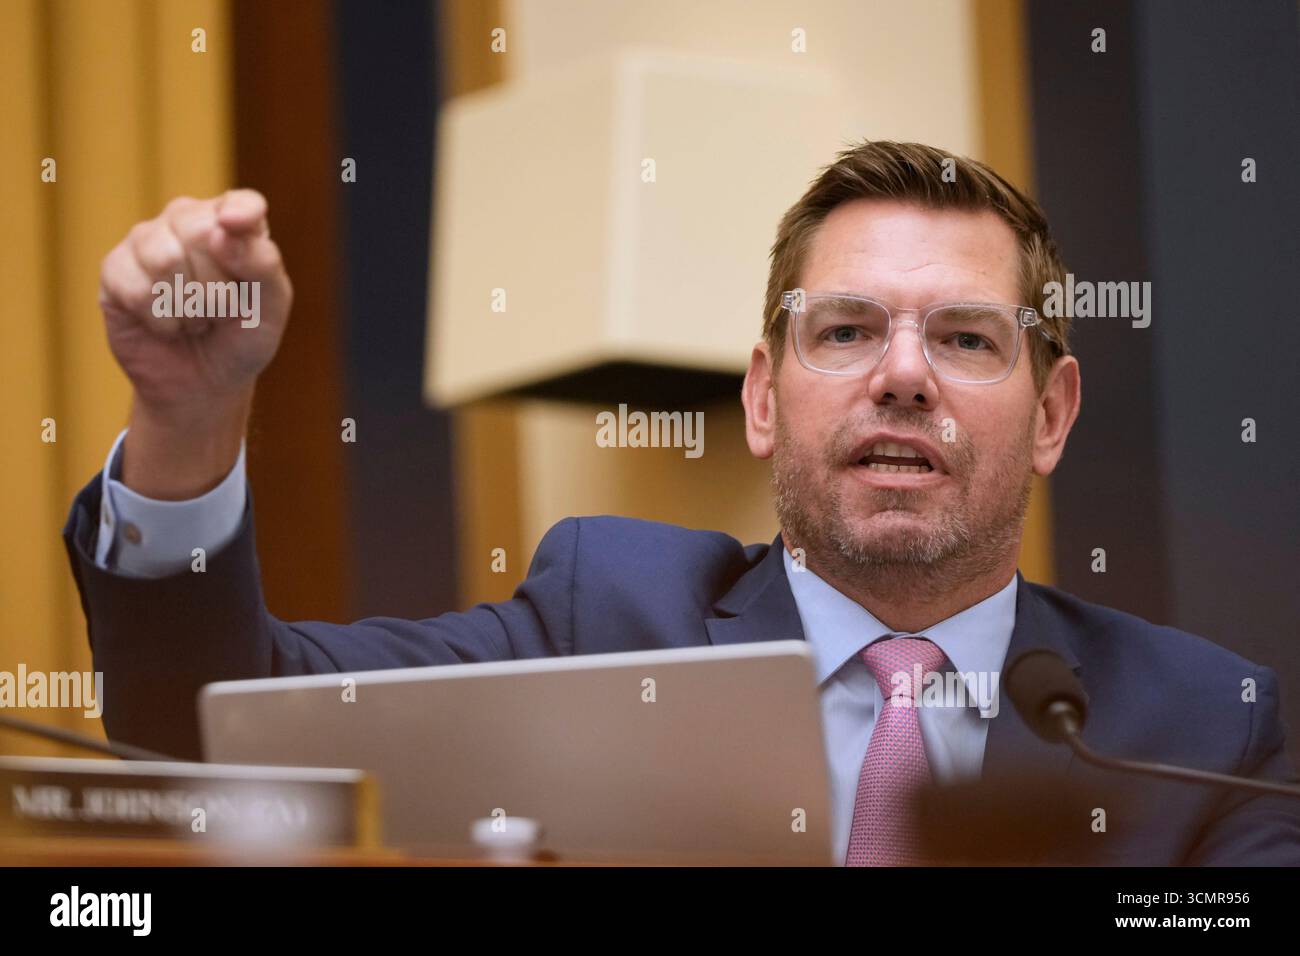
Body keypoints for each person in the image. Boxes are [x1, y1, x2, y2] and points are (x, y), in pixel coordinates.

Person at [65, 140, 1300, 865]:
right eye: (847, 329)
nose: (903, 374)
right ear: (764, 396)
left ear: (1049, 413)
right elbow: (197, 728)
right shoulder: (607, 610)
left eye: (968, 337)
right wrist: (187, 418)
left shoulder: (1196, 729)